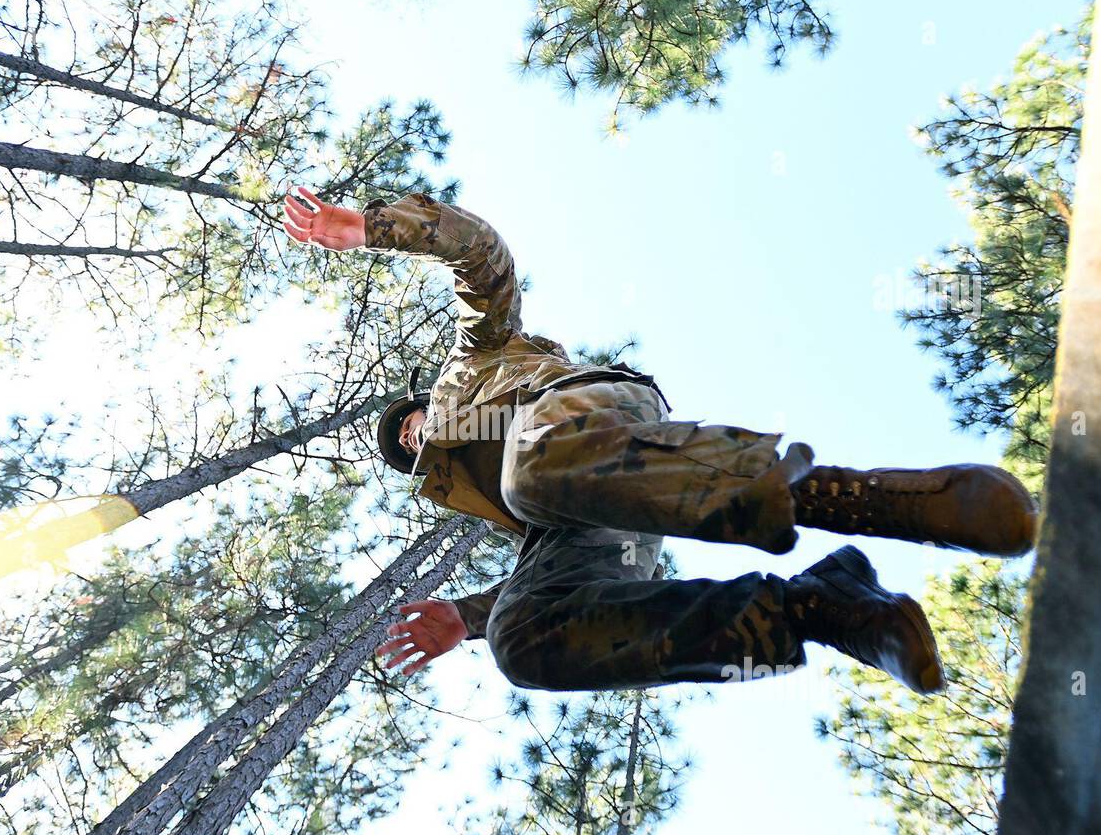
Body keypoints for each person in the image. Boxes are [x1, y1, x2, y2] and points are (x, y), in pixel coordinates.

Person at [282, 185, 1037, 695]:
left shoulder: (472, 363)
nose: (414, 437)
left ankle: (849, 497)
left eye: (409, 423)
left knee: (530, 471)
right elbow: (540, 551)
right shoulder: (466, 490)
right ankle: (820, 608)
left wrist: (375, 227)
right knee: (522, 637)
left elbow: (484, 259)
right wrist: (471, 621)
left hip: (590, 416)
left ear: (420, 404)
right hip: (591, 508)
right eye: (405, 447)